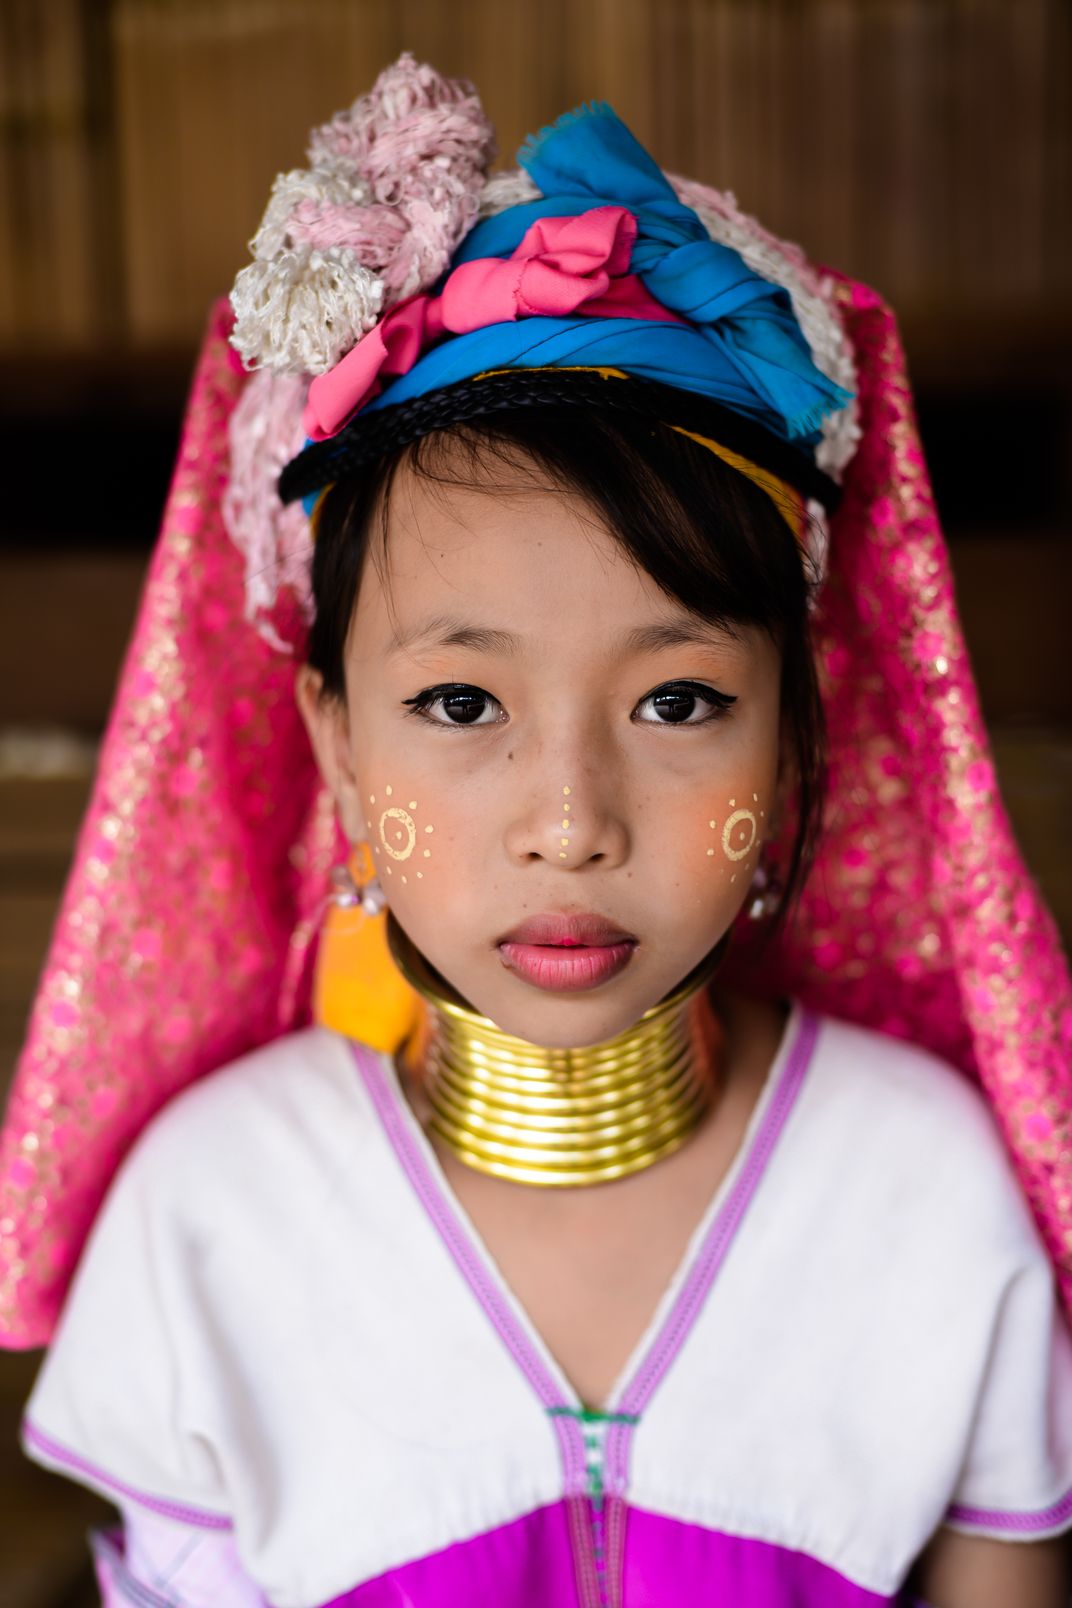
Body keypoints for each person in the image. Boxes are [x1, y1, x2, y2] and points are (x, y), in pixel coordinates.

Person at [4, 53, 1071, 1608]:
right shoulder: (212, 1222)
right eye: (459, 704)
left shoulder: (934, 1200)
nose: (571, 824)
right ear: (337, 750)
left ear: (797, 738)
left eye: (680, 702)